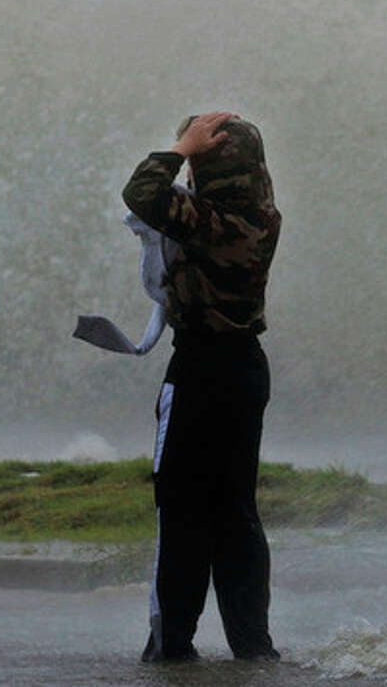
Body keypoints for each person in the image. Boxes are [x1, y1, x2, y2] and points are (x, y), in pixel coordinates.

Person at [122, 111, 282, 663]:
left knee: (183, 512)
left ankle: (170, 647)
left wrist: (179, 148)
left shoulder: (208, 219)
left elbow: (141, 194)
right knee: (236, 514)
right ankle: (253, 647)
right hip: (244, 371)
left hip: (197, 372)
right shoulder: (262, 217)